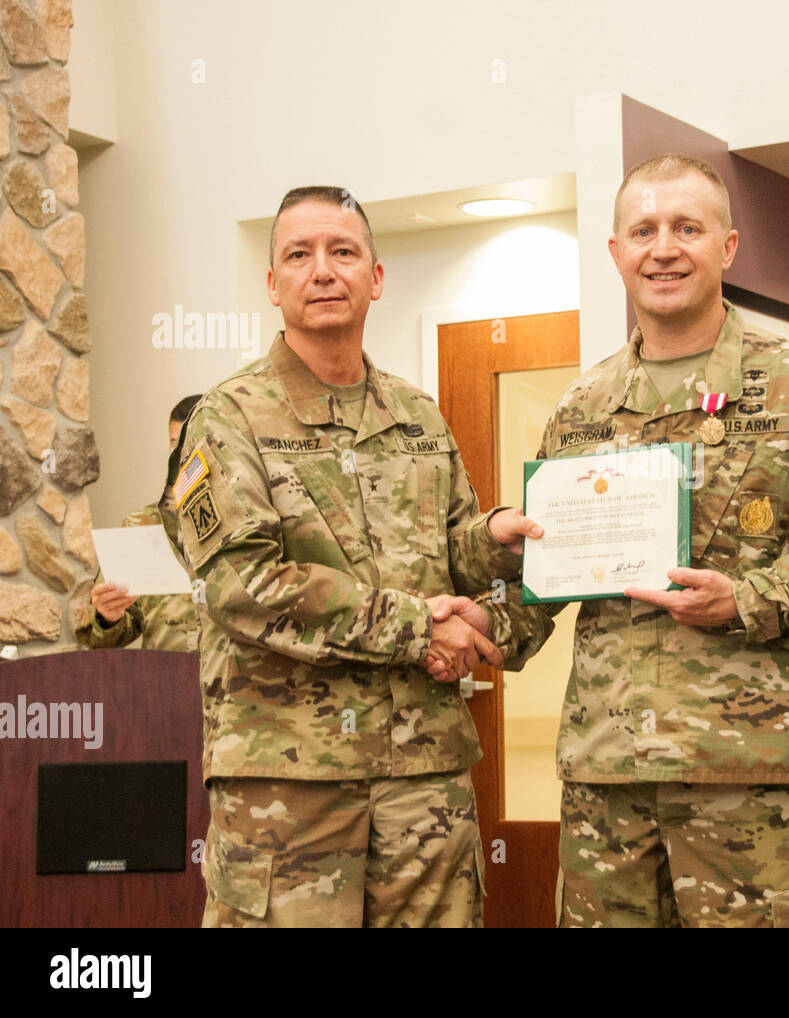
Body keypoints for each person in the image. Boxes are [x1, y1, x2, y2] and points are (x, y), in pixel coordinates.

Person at [534, 154, 789, 927]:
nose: (664, 248)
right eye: (643, 230)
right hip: (609, 777)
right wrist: (497, 573)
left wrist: (752, 599)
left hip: (757, 777)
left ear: (728, 247)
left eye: (687, 227)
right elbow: (548, 563)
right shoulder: (581, 406)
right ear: (616, 253)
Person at [163, 186, 550, 928]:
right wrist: (418, 628)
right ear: (273, 285)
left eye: (343, 252)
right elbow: (243, 585)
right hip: (293, 787)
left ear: (376, 277)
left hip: (424, 775)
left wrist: (492, 540)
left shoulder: (417, 414)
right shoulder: (227, 417)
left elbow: (448, 552)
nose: (323, 270)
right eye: (299, 255)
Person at [75, 396, 203, 652]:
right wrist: (108, 617)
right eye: (173, 443)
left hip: (241, 687)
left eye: (192, 441)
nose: (181, 453)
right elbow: (102, 639)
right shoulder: (142, 526)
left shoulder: (259, 521)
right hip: (161, 683)